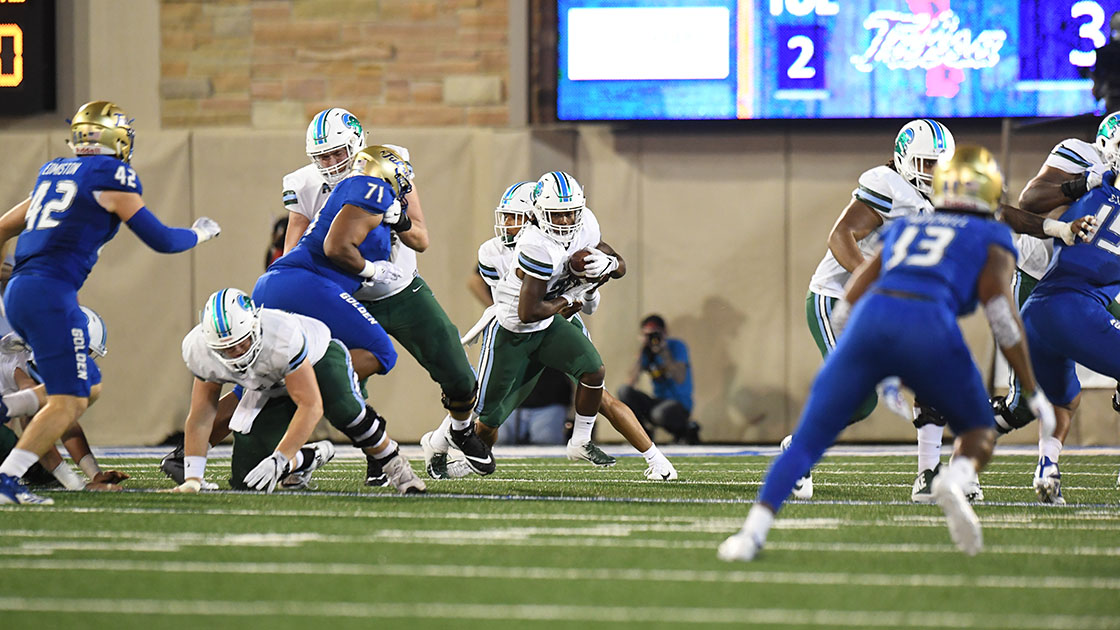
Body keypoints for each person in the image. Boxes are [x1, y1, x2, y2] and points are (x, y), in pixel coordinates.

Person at [718, 146, 1058, 562]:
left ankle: (749, 536)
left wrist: (866, 363)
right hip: (931, 327)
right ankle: (953, 480)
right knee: (979, 430)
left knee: (807, 441)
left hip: (869, 323)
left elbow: (852, 298)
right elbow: (1003, 321)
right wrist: (1031, 389)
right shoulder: (993, 236)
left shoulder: (905, 229)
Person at [0, 100, 221, 506]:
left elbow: (1, 228)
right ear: (117, 139)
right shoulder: (110, 175)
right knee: (69, 401)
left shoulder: (53, 172)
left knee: (89, 386)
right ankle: (8, 478)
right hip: (50, 291)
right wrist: (200, 233)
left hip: (22, 291)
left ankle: (6, 407)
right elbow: (163, 240)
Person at [282, 109, 487, 485]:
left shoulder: (385, 162)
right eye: (321, 156)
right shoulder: (305, 183)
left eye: (336, 152)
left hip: (401, 289)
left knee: (458, 374)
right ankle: (377, 454)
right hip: (345, 295)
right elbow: (291, 253)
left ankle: (460, 428)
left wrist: (399, 218)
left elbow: (421, 239)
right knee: (342, 383)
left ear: (357, 143)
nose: (329, 163)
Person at [443, 180, 676, 480]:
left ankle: (601, 445)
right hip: (517, 331)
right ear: (537, 214)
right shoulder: (524, 247)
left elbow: (614, 266)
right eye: (557, 214)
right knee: (488, 416)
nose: (566, 221)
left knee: (594, 374)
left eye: (570, 213)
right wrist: (569, 297)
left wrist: (608, 263)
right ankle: (444, 449)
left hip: (553, 323)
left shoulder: (583, 224)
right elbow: (527, 312)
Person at [802, 119, 959, 504]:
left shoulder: (940, 197)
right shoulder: (888, 185)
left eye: (939, 165)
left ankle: (928, 474)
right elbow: (840, 236)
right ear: (904, 159)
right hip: (838, 298)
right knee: (858, 400)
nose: (933, 173)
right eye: (925, 164)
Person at [166, 289, 424, 494]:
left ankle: (395, 466)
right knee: (248, 482)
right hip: (267, 387)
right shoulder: (199, 350)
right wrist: (193, 479)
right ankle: (309, 457)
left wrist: (279, 459)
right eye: (225, 349)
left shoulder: (281, 337)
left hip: (318, 359)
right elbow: (201, 416)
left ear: (254, 326)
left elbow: (311, 406)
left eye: (240, 342)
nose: (236, 353)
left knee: (346, 411)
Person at [1018, 116, 1120, 504]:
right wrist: (1083, 182)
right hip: (1051, 285)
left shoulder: (1104, 190)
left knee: (1063, 398)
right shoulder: (1081, 158)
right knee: (1017, 405)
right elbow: (1028, 202)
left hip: (1047, 302)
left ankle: (1047, 465)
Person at [0, 307, 128, 491]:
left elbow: (65, 421)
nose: (82, 362)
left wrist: (95, 474)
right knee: (26, 460)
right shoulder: (22, 362)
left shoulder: (33, 353)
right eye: (80, 353)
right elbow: (36, 426)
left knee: (41, 469)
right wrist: (76, 485)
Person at [618, 314, 699, 444]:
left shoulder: (676, 346)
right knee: (624, 391)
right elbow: (631, 382)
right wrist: (641, 351)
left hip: (678, 403)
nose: (653, 338)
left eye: (655, 334)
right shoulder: (647, 351)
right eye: (648, 335)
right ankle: (642, 435)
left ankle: (687, 430)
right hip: (658, 402)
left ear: (664, 333)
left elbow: (680, 378)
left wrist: (663, 351)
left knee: (659, 414)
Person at [1092, 13, 1120, 114]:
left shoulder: (1103, 53)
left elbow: (1097, 87)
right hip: (1110, 102)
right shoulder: (1104, 54)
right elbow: (1098, 87)